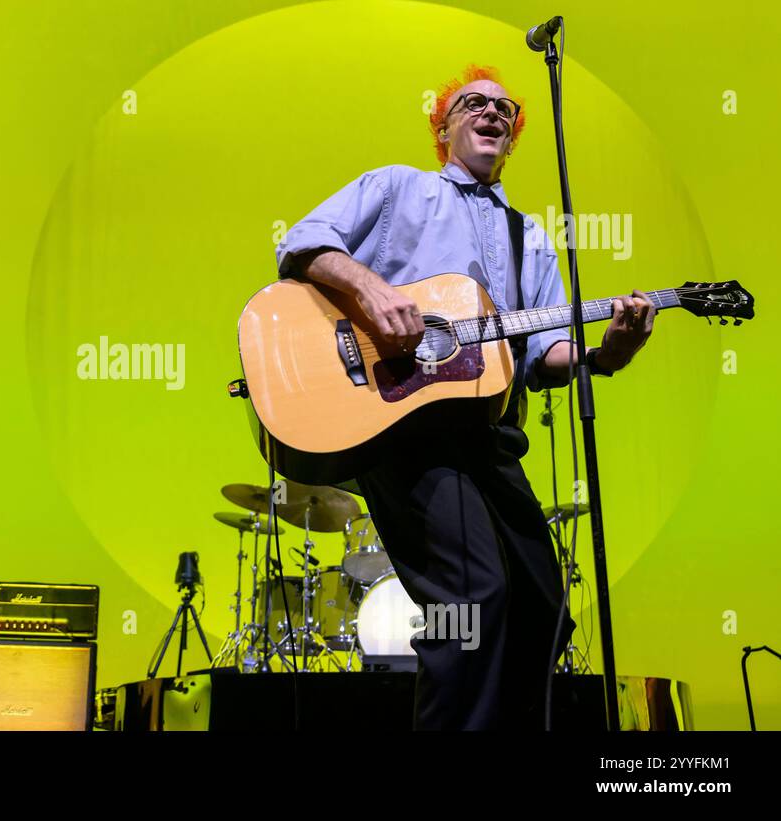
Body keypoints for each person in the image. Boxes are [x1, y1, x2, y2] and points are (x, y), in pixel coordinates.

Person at [275, 65, 655, 729]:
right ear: (444, 128)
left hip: (489, 438)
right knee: (472, 599)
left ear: (512, 137)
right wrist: (370, 289)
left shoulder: (528, 236)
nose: (492, 114)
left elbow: (545, 356)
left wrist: (608, 353)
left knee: (544, 606)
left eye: (505, 110)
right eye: (472, 104)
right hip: (403, 429)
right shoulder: (400, 188)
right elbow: (303, 243)